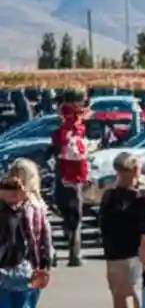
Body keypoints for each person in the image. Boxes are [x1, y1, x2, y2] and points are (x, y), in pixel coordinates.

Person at [0, 168, 53, 308]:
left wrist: (43, 267)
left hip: (19, 271)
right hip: (16, 271)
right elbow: (43, 239)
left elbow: (40, 240)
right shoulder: (34, 206)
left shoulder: (27, 209)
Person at [97, 153, 145, 308]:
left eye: (132, 169)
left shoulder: (142, 195)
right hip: (114, 253)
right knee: (119, 297)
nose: (128, 173)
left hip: (135, 254)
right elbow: (104, 223)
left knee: (137, 297)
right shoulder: (111, 195)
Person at [51, 97, 89, 266]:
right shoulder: (74, 132)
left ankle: (72, 250)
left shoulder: (61, 133)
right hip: (73, 178)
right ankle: (75, 254)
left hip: (63, 177)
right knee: (75, 216)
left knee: (69, 214)